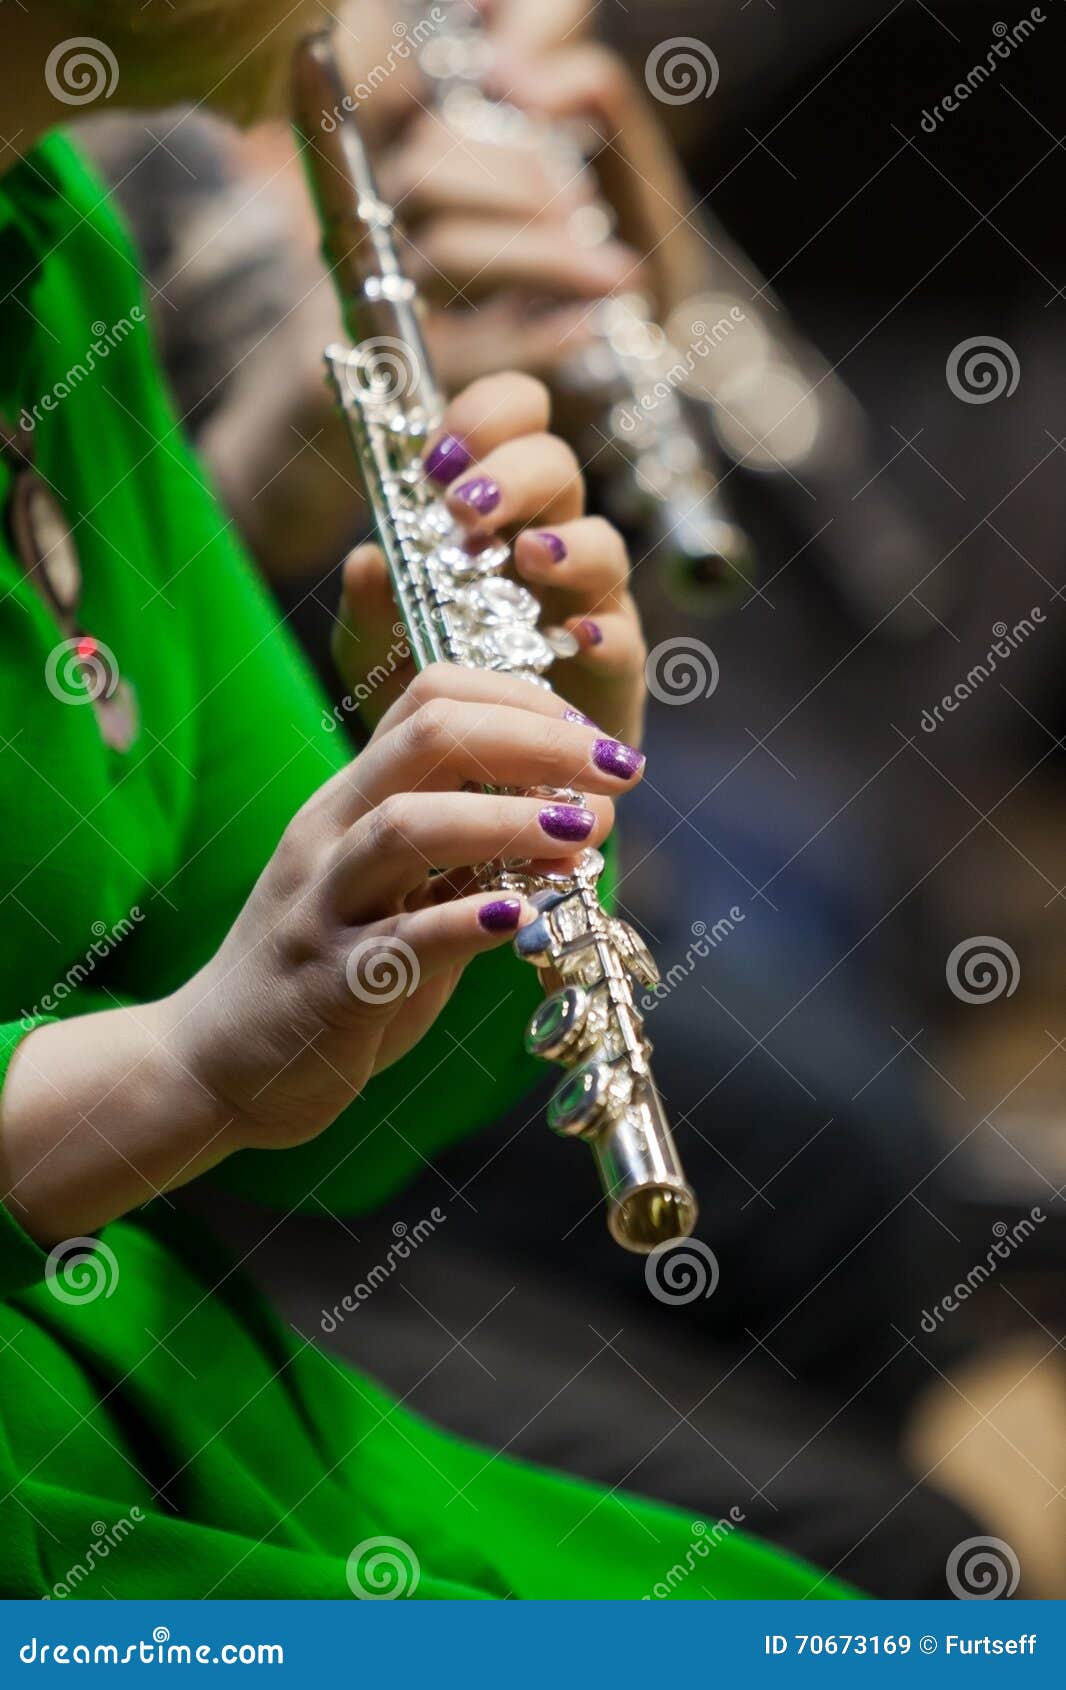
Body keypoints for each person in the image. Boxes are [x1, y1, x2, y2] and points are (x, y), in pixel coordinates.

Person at [0, 0, 861, 1600]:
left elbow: (331, 1134)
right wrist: (178, 1064)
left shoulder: (51, 239)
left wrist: (502, 798)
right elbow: (211, 1075)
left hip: (180, 1378)